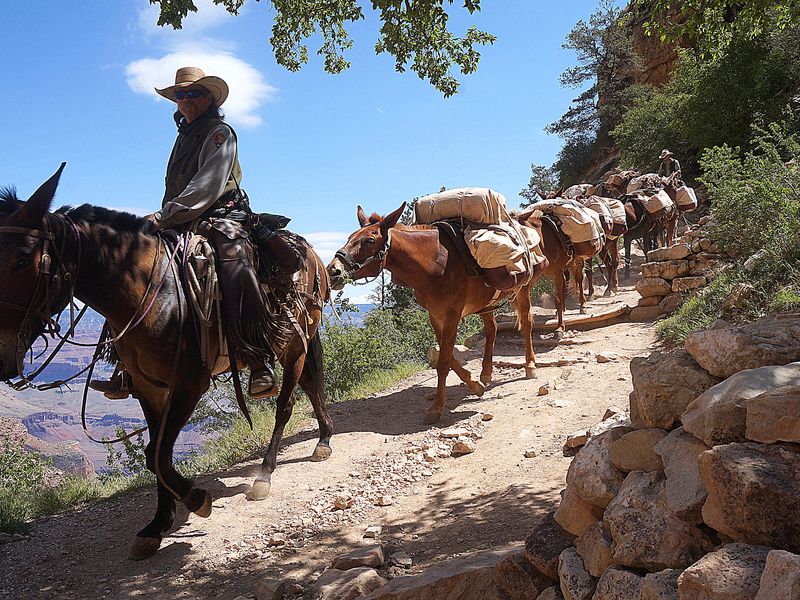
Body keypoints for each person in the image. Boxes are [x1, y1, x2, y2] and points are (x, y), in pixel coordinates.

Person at [91, 67, 278, 399]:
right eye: (180, 95)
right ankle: (125, 364)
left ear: (209, 98)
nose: (186, 100)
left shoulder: (220, 133)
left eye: (193, 93)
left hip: (221, 214)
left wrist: (164, 216)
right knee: (128, 268)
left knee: (236, 266)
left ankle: (259, 356)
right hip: (178, 220)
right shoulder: (184, 137)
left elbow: (206, 186)